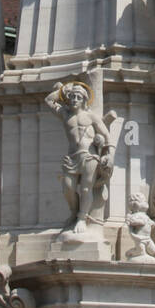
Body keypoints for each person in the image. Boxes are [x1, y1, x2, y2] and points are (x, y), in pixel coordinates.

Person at [45, 80, 117, 234]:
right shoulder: (65, 115)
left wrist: (110, 156)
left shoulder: (90, 116)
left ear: (84, 100)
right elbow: (49, 100)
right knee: (68, 188)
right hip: (72, 157)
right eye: (72, 97)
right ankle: (74, 212)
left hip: (89, 156)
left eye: (78, 97)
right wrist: (62, 90)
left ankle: (82, 218)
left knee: (86, 188)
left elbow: (106, 135)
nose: (75, 100)